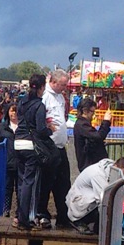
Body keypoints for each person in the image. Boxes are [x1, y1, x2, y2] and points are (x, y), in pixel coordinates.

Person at [14, 74, 54, 230]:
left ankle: (19, 216)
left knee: (22, 181)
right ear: (42, 87)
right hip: (31, 145)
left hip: (17, 142)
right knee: (30, 183)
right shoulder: (39, 105)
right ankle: (26, 218)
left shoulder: (22, 102)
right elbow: (40, 129)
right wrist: (50, 129)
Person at [39, 69, 72, 229]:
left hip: (60, 146)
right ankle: (42, 214)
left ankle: (63, 216)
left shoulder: (60, 97)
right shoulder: (45, 96)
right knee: (46, 182)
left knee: (63, 183)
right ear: (54, 82)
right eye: (62, 84)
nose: (64, 87)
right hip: (48, 145)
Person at [66, 157, 124, 235]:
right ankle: (78, 221)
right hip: (78, 203)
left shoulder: (112, 169)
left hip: (85, 199)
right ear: (115, 166)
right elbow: (104, 200)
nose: (121, 177)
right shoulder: (98, 175)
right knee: (105, 203)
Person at [73, 98, 112, 172]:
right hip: (89, 165)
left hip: (92, 164)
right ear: (85, 111)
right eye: (92, 112)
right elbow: (98, 136)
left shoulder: (83, 124)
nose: (93, 115)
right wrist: (106, 121)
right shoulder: (82, 125)